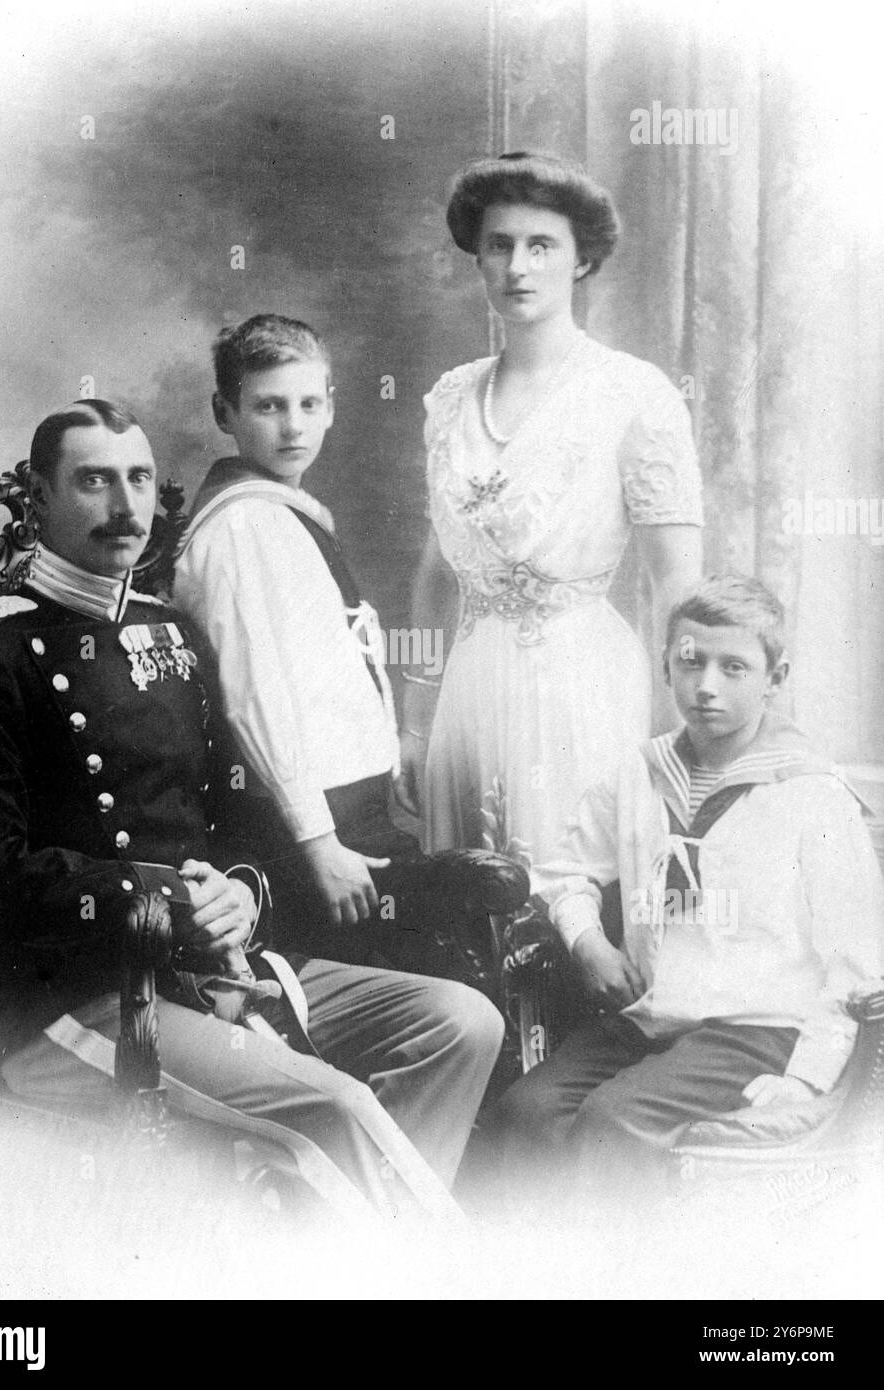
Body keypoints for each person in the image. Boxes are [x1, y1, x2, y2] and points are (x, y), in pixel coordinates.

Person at [0, 397, 504, 1219]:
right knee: (335, 1106)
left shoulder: (174, 634)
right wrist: (163, 902)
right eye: (92, 481)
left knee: (459, 1022)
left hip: (208, 969)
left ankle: (334, 1263)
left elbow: (234, 817)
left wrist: (241, 890)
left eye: (139, 479)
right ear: (38, 500)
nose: (124, 506)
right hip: (67, 1002)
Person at [490, 573, 884, 1211]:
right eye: (689, 662)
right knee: (521, 1112)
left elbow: (858, 966)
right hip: (652, 1017)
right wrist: (587, 939)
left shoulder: (810, 792)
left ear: (775, 678)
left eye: (734, 668)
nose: (706, 687)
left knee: (612, 1126)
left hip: (757, 1029)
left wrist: (807, 1079)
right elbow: (566, 870)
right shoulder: (641, 772)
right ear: (667, 665)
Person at [172, 314, 524, 972]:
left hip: (349, 803)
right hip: (305, 824)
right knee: (429, 976)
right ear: (226, 412)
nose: (293, 426)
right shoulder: (245, 525)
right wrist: (320, 844)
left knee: (448, 963)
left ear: (332, 408)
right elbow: (259, 697)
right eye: (268, 406)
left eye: (309, 404)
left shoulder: (281, 514)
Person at [397, 151, 703, 888]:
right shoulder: (449, 398)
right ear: (478, 258)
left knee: (571, 898)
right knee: (469, 906)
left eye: (542, 246)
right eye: (499, 245)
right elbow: (438, 570)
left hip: (581, 684)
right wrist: (415, 719)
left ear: (581, 261)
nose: (518, 267)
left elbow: (677, 585)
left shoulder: (633, 392)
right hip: (468, 690)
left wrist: (680, 737)